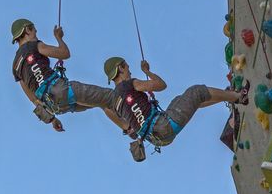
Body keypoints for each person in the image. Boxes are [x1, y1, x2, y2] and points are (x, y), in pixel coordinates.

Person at [102, 56, 246, 161]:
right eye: (126, 66)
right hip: (164, 125)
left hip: (158, 139)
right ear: (120, 68)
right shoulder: (129, 84)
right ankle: (239, 96)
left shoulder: (117, 101)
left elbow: (113, 114)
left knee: (180, 100)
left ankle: (228, 96)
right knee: (196, 92)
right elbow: (161, 85)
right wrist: (147, 71)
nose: (130, 71)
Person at [11, 19, 115, 131]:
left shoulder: (16, 66)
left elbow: (33, 99)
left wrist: (52, 120)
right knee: (112, 97)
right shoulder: (33, 46)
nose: (36, 32)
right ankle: (132, 120)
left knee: (102, 102)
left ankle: (129, 128)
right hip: (63, 91)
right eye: (34, 30)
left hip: (56, 106)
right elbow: (65, 53)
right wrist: (59, 38)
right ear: (27, 30)